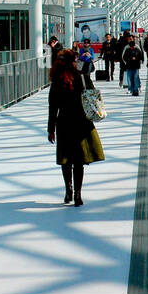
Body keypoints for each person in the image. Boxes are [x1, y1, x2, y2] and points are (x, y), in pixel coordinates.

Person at [47, 50, 105, 207]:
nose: (76, 62)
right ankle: (78, 195)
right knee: (78, 160)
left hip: (64, 122)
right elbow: (94, 96)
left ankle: (68, 191)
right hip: (81, 122)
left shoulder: (57, 81)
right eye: (75, 60)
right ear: (72, 62)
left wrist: (50, 129)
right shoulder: (83, 78)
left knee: (66, 159)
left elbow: (53, 107)